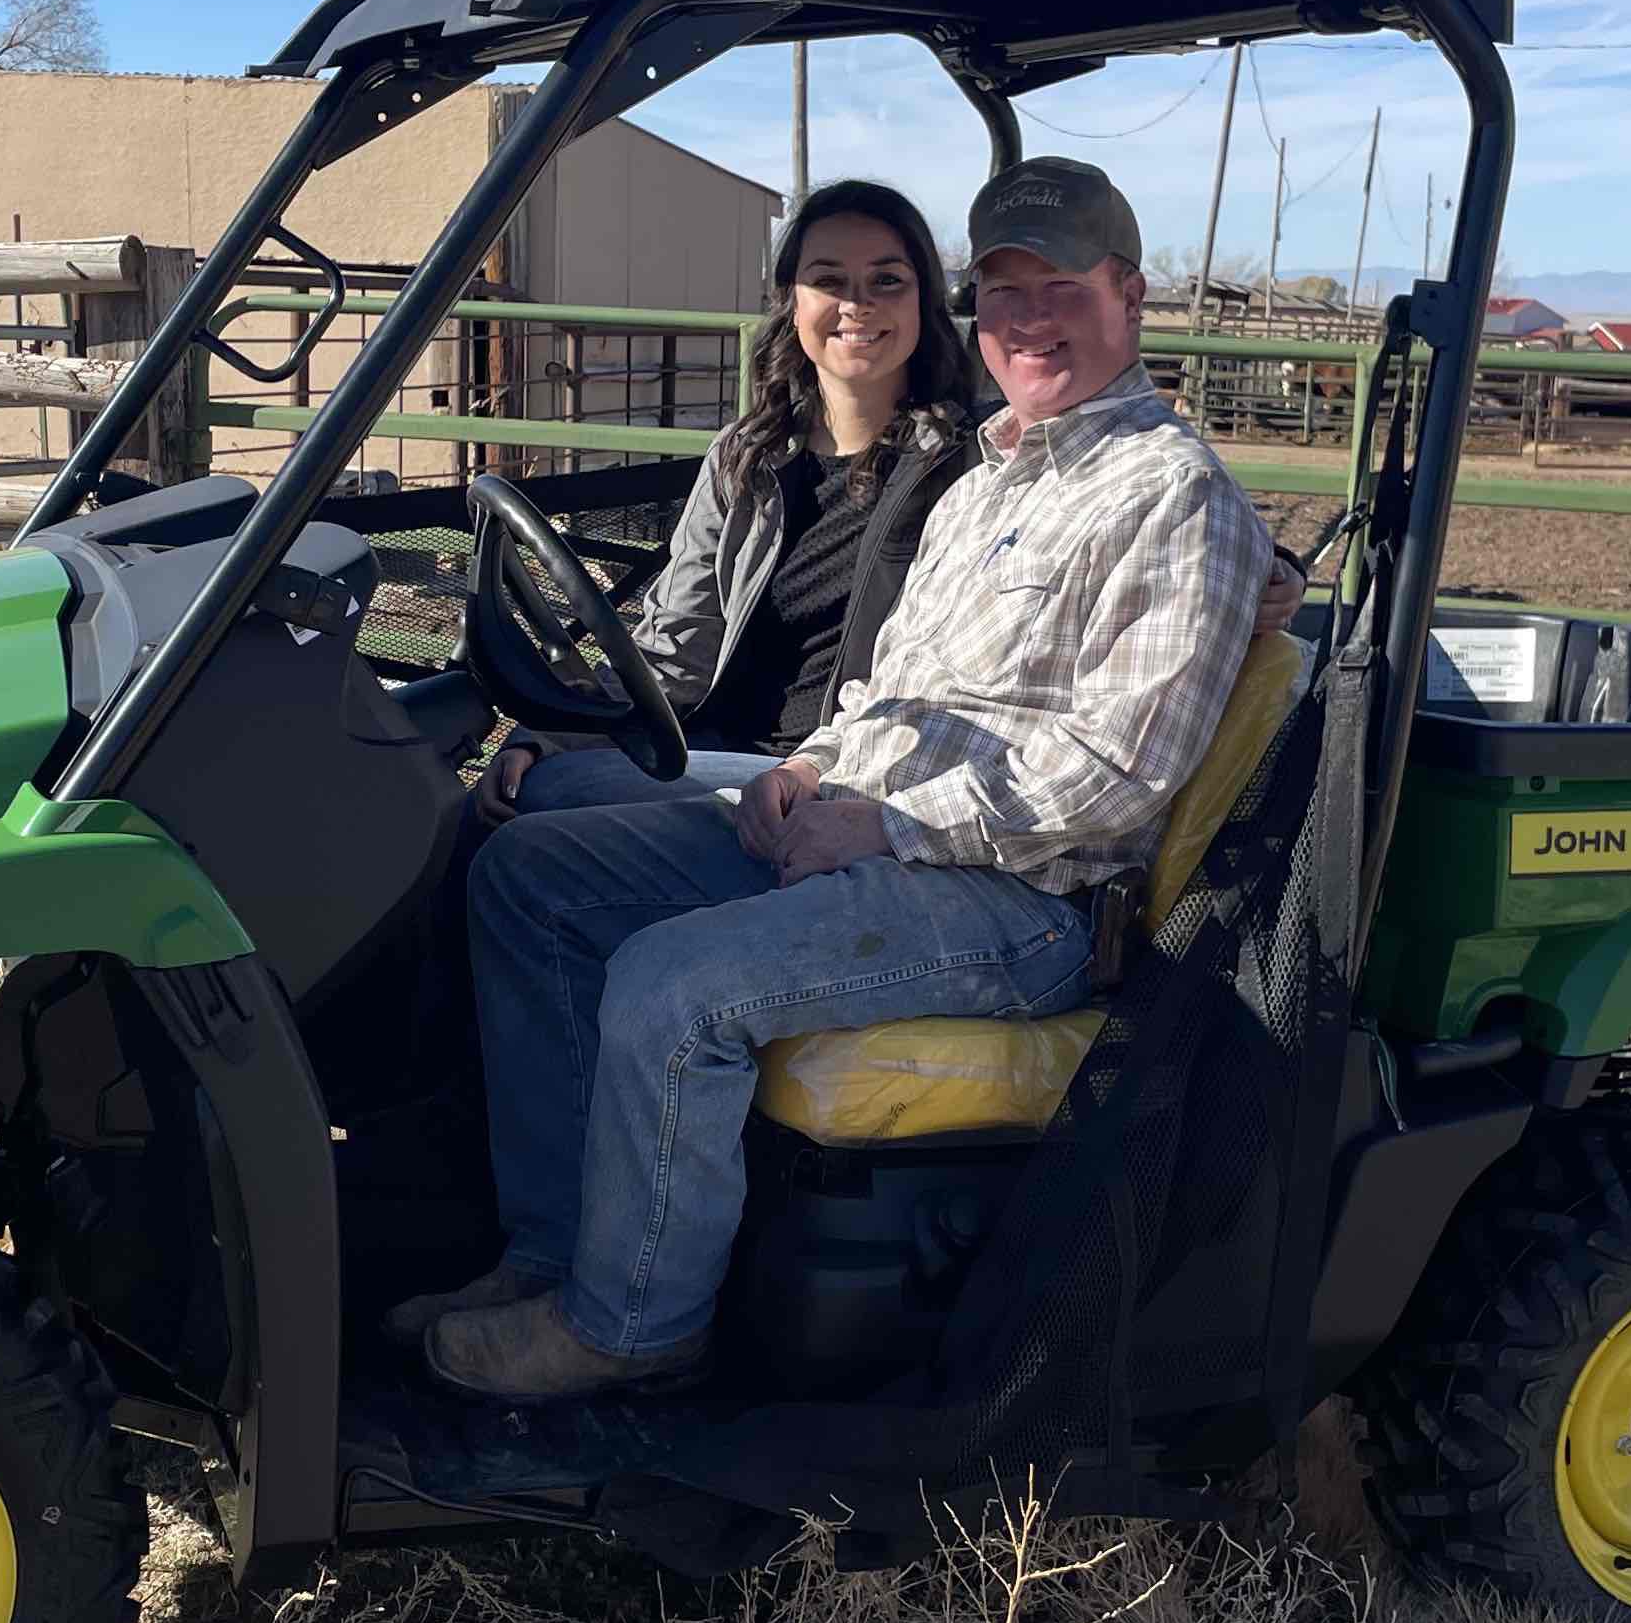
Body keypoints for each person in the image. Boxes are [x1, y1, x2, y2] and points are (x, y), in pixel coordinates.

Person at [407, 155, 1280, 1400]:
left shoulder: (1170, 493)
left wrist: (887, 824)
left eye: (1062, 290)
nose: (1028, 320)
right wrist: (816, 767)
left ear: (1129, 297)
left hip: (1022, 900)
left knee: (673, 984)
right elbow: (893, 686)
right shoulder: (991, 482)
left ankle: (632, 1333)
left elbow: (1115, 776)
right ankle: (556, 1253)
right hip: (870, 823)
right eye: (1005, 292)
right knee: (530, 879)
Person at [486, 179, 978, 822]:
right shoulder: (747, 456)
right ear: (791, 302)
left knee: (548, 810)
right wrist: (554, 733)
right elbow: (675, 645)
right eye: (829, 281)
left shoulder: (964, 465)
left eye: (887, 281)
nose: (857, 305)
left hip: (840, 775)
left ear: (924, 303)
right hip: (715, 753)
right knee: (505, 798)